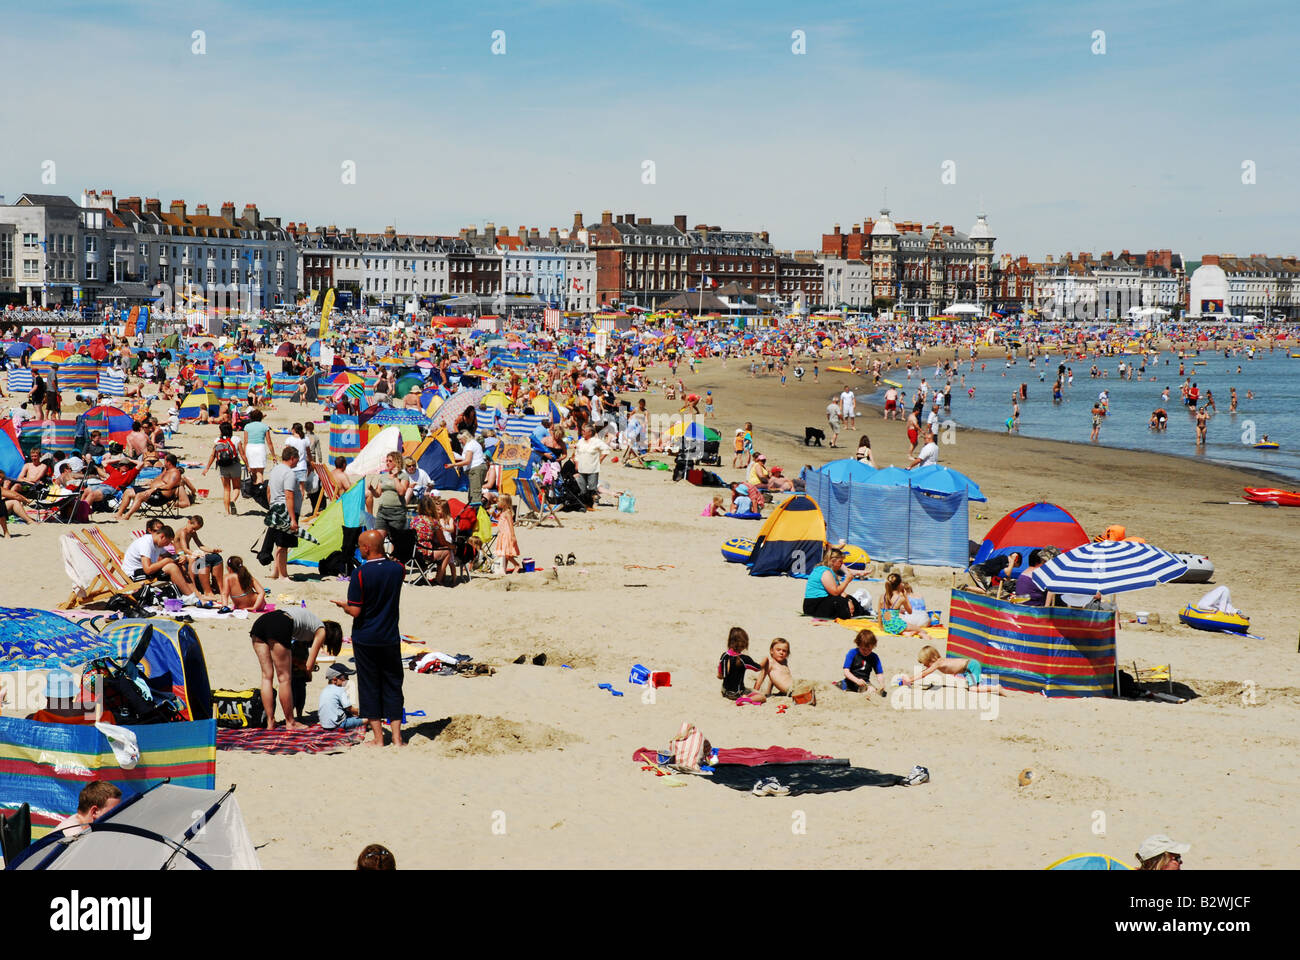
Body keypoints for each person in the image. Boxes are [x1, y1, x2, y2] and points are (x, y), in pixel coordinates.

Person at [332, 530, 405, 747]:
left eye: (361, 546)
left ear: (366, 548)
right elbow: (392, 563)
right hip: (390, 635)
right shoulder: (398, 569)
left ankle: (379, 738)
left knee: (370, 685)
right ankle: (398, 738)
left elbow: (356, 611)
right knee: (393, 684)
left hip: (366, 636)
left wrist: (343, 606)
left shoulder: (361, 573)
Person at [249, 610, 303, 730]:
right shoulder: (318, 628)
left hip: (259, 624)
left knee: (266, 676)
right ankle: (290, 722)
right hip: (278, 626)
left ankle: (270, 721)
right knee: (284, 678)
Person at [121, 525, 205, 603]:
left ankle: (196, 595)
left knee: (178, 565)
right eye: (167, 542)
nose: (168, 545)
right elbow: (148, 569)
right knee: (171, 567)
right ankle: (190, 597)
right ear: (162, 536)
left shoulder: (157, 544)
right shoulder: (145, 543)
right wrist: (166, 561)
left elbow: (169, 555)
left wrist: (179, 557)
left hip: (143, 571)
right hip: (133, 575)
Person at [265, 447, 301, 580]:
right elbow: (289, 496)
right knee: (283, 545)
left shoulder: (275, 469)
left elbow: (268, 491)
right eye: (297, 459)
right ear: (292, 458)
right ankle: (283, 575)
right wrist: (293, 519)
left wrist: (271, 507)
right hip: (285, 511)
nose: (298, 461)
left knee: (279, 543)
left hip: (275, 508)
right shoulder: (289, 473)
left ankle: (275, 572)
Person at [900, 644, 999, 692]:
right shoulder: (939, 661)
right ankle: (985, 683)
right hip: (969, 668)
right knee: (974, 685)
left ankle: (996, 688)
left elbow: (925, 673)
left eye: (926, 663)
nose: (925, 666)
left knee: (973, 689)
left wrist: (909, 679)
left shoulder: (938, 663)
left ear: (931, 659)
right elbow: (925, 671)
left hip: (970, 667)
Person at [802, 546, 862, 619]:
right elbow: (835, 592)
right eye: (840, 561)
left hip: (821, 601)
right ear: (833, 561)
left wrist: (848, 599)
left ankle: (861, 612)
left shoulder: (829, 571)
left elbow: (840, 592)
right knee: (840, 602)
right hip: (814, 605)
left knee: (849, 599)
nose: (842, 564)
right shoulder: (825, 572)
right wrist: (846, 581)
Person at [202, 421, 246, 515]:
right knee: (237, 487)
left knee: (226, 489)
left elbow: (213, 455)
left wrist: (207, 468)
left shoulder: (217, 440)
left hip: (222, 466)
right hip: (234, 465)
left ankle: (227, 512)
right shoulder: (236, 439)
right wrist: (248, 465)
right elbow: (242, 454)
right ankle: (233, 500)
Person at [53, 781, 122, 837]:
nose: (118, 817)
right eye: (113, 812)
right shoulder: (72, 832)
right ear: (95, 812)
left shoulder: (83, 829)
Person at [176, 515, 224, 595]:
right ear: (189, 522)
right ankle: (207, 591)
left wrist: (212, 550)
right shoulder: (183, 532)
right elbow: (184, 549)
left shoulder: (192, 532)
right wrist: (196, 554)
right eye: (193, 528)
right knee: (203, 559)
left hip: (189, 554)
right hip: (181, 555)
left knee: (216, 557)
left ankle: (217, 587)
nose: (194, 531)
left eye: (196, 529)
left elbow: (200, 545)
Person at [367, 451, 410, 534]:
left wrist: (395, 477)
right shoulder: (383, 476)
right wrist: (372, 489)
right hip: (382, 511)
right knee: (379, 538)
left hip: (397, 512)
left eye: (390, 461)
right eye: (386, 461)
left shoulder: (403, 476)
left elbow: (401, 492)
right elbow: (378, 494)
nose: (387, 463)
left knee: (396, 540)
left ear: (397, 462)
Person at [717, 626, 761, 700]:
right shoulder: (744, 659)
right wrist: (765, 661)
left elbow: (720, 676)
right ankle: (744, 699)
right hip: (736, 693)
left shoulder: (724, 655)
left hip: (725, 691)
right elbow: (757, 668)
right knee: (761, 696)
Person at [572, 422, 611, 504]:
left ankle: (593, 502)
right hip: (581, 468)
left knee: (592, 488)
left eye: (584, 431)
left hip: (592, 468)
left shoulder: (596, 442)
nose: (582, 432)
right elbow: (577, 454)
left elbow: (606, 450)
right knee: (582, 487)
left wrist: (600, 459)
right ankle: (583, 502)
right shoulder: (580, 441)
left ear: (590, 432)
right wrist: (576, 464)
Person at [319, 663, 365, 730]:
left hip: (324, 724)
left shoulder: (325, 690)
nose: (348, 680)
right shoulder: (340, 690)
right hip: (338, 725)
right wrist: (363, 713)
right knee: (368, 718)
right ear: (335, 679)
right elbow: (351, 709)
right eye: (345, 677)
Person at [841, 628, 886, 696]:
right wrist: (857, 680)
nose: (866, 652)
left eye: (869, 649)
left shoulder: (874, 657)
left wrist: (882, 684)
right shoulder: (852, 653)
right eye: (864, 649)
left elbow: (879, 674)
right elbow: (846, 672)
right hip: (850, 681)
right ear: (858, 645)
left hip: (865, 682)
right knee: (839, 686)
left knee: (882, 693)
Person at [453, 429, 487, 506]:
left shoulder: (470, 445)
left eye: (460, 439)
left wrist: (453, 465)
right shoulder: (472, 444)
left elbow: (467, 461)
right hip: (476, 468)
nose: (460, 442)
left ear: (465, 438)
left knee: (475, 494)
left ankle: (476, 513)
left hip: (476, 469)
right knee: (473, 493)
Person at [242, 409, 274, 484]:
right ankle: (259, 490)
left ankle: (255, 490)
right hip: (260, 448)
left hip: (250, 448)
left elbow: (245, 442)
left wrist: (244, 455)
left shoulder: (247, 426)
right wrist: (273, 455)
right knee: (260, 473)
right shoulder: (265, 426)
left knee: (253, 473)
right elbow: (269, 443)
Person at [494, 493, 520, 573]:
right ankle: (504, 568)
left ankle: (517, 565)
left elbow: (510, 524)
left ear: (504, 503)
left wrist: (513, 535)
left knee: (507, 554)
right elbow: (495, 516)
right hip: (502, 534)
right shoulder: (502, 512)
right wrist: (493, 510)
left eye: (499, 502)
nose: (497, 503)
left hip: (507, 534)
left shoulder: (507, 512)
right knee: (504, 553)